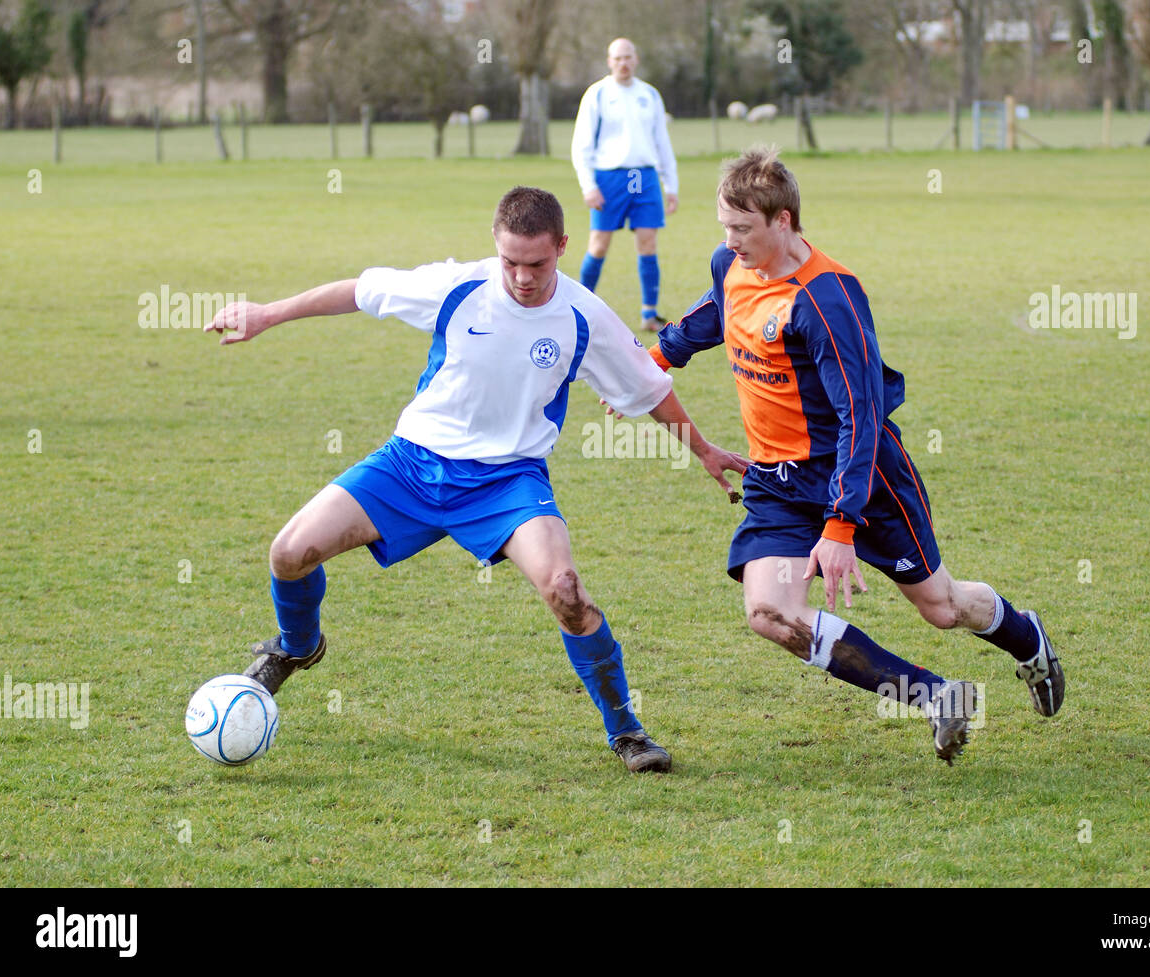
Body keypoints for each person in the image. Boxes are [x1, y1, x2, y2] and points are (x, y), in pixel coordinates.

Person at [204, 186, 748, 773]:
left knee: (565, 589)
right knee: (289, 553)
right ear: (496, 245)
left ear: (562, 247)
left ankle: (628, 732)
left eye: (536, 263)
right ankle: (297, 645)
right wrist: (266, 314)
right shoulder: (458, 287)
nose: (521, 276)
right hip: (411, 464)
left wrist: (704, 450)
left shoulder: (584, 317)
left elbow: (649, 388)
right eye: (510, 261)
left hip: (507, 482)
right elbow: (359, 291)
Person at [648, 148, 1065, 764]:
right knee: (769, 612)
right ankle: (935, 696)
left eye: (743, 229)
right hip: (778, 480)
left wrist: (841, 525)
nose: (729, 241)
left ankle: (1027, 637)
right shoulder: (730, 264)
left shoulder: (828, 299)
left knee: (942, 608)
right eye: (724, 227)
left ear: (783, 221)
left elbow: (860, 416)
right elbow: (719, 310)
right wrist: (658, 358)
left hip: (859, 473)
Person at [570, 37, 678, 332]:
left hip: (645, 177)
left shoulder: (650, 95)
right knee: (599, 244)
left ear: (636, 59)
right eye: (617, 58)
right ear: (609, 61)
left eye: (628, 57)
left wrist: (672, 185)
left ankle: (649, 313)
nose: (623, 63)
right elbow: (581, 145)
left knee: (648, 241)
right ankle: (578, 307)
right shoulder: (597, 94)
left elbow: (662, 142)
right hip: (609, 178)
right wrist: (588, 185)